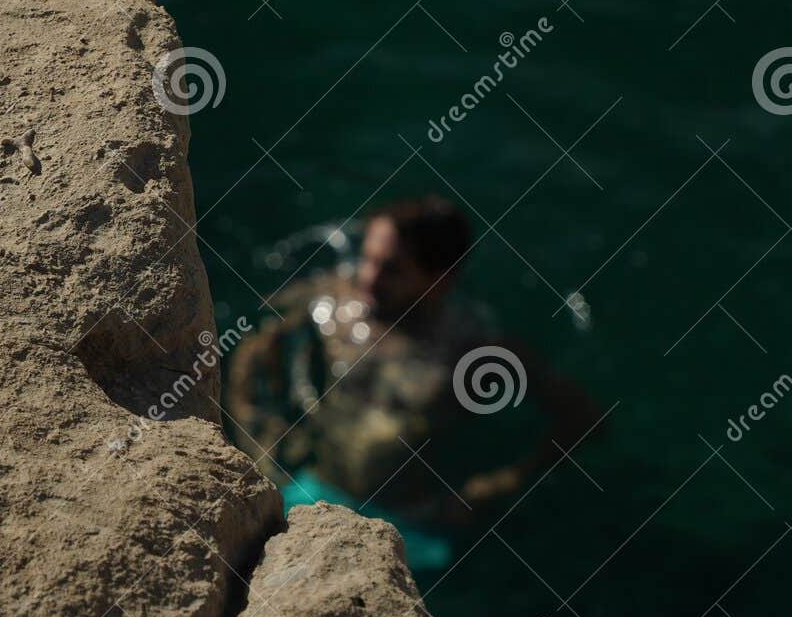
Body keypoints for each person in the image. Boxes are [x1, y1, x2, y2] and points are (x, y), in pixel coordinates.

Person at [226, 196, 601, 554]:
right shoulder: (330, 298)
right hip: (305, 486)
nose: (367, 278)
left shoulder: (474, 352)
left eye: (391, 269)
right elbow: (255, 346)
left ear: (441, 280)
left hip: (406, 523)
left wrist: (496, 486)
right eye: (368, 259)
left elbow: (584, 420)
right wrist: (262, 445)